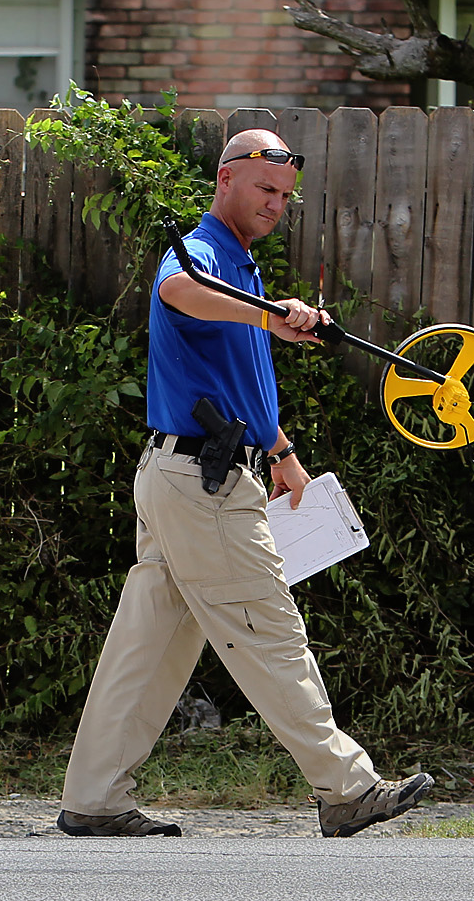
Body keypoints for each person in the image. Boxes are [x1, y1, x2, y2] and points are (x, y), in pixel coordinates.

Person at [55, 128, 433, 839]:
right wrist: (270, 315)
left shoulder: (246, 270)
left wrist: (282, 449)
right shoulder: (200, 255)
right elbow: (179, 291)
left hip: (183, 473)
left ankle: (95, 796)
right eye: (265, 189)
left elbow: (237, 381)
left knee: (148, 643)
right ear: (225, 180)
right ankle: (346, 787)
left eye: (285, 196)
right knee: (270, 630)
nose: (276, 204)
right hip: (204, 487)